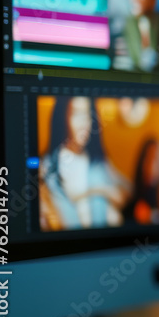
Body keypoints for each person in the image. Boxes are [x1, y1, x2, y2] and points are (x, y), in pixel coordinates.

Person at [40, 96, 130, 230]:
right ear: (62, 117)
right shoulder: (46, 167)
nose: (84, 124)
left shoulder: (98, 161)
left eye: (88, 115)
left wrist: (97, 191)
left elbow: (125, 193)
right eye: (77, 114)